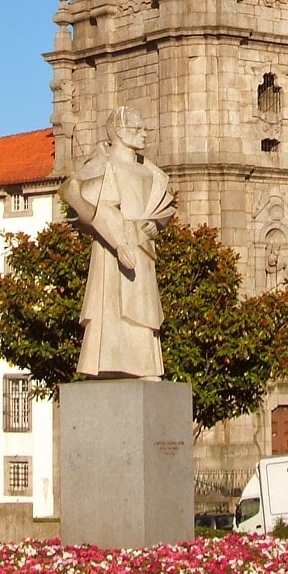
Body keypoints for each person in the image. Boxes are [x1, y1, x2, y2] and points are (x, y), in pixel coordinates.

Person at [59, 106, 176, 379]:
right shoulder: (102, 165)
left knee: (143, 308)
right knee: (113, 307)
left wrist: (155, 223)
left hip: (143, 249)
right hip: (114, 250)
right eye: (138, 129)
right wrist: (117, 240)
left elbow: (162, 209)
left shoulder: (151, 173)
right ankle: (111, 366)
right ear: (119, 132)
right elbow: (78, 197)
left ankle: (144, 366)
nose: (144, 134)